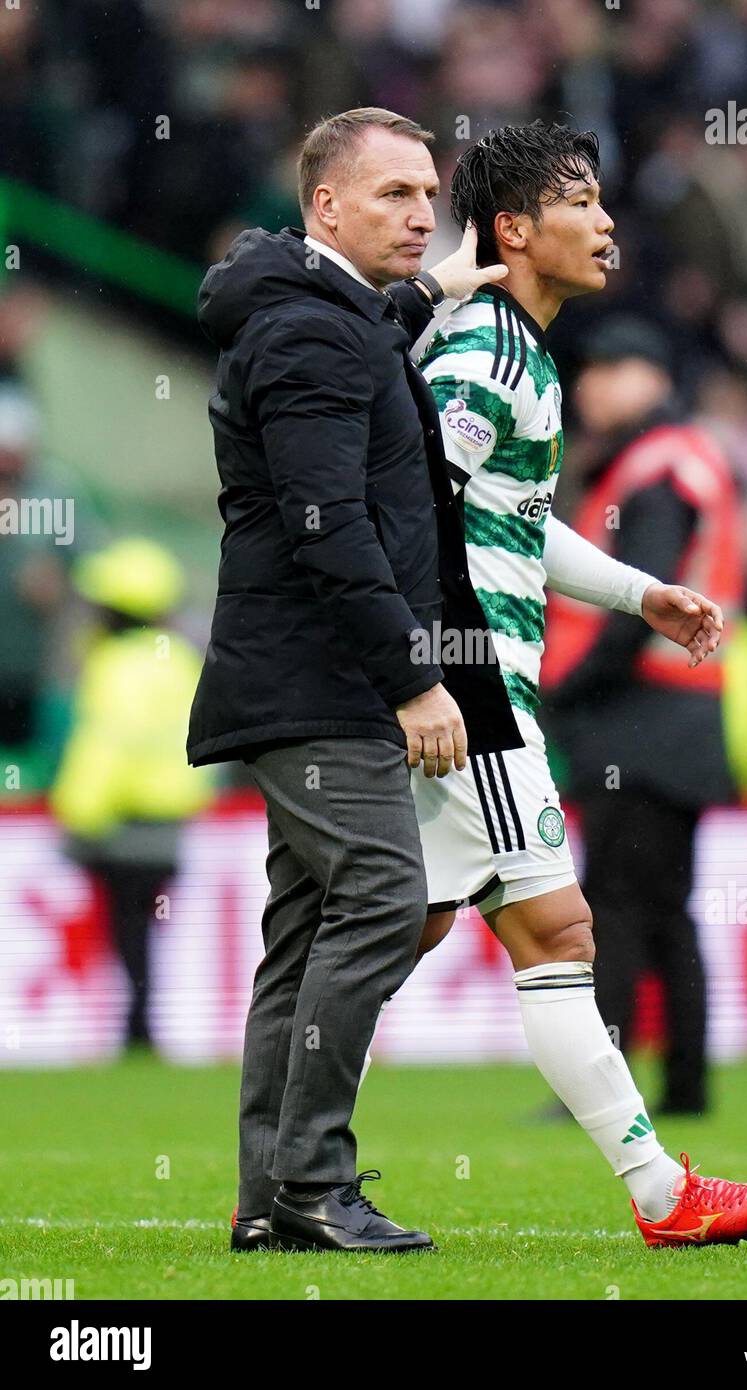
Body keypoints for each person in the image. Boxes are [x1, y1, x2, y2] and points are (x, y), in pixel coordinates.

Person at [407, 123, 747, 1248]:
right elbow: (413, 501)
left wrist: (638, 595)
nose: (606, 220)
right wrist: (428, 671)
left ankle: (283, 1167)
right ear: (513, 228)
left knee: (394, 933)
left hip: (463, 685)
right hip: (469, 691)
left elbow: (510, 522)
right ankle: (662, 1193)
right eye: (579, 200)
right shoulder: (480, 349)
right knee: (560, 930)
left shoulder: (519, 351)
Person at [186, 107, 521, 1254]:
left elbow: (360, 338)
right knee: (381, 900)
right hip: (324, 682)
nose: (422, 213)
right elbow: (329, 525)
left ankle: (267, 1195)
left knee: (306, 930)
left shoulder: (310, 314)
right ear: (325, 205)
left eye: (429, 194)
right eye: (394, 195)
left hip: (299, 677)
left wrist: (438, 291)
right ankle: (310, 1181)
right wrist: (413, 679)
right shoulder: (312, 336)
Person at [543, 318, 744, 1117]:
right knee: (664, 908)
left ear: (650, 377)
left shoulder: (653, 468)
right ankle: (686, 1086)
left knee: (619, 908)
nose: (586, 387)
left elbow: (639, 605)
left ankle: (602, 1090)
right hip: (683, 716)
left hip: (641, 719)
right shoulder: (678, 460)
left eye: (603, 369)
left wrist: (564, 688)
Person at [50, 537, 214, 1049]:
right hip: (170, 821)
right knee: (146, 925)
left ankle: (137, 1027)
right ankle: (142, 1021)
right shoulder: (179, 660)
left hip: (122, 822)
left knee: (126, 925)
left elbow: (105, 747)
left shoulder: (115, 665)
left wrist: (79, 812)